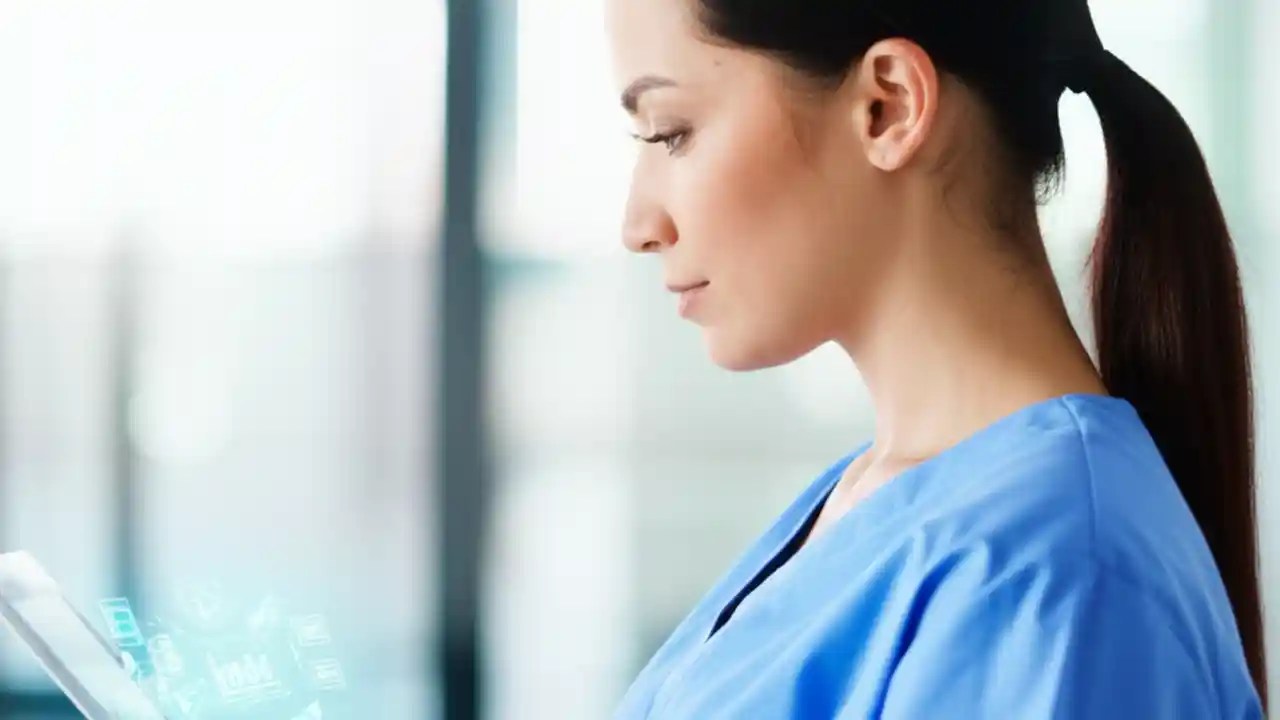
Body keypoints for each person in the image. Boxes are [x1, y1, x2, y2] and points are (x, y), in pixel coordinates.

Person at [606, 0, 1267, 717]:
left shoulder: (1054, 576)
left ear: (888, 106)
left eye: (671, 134)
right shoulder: (882, 504)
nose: (638, 226)